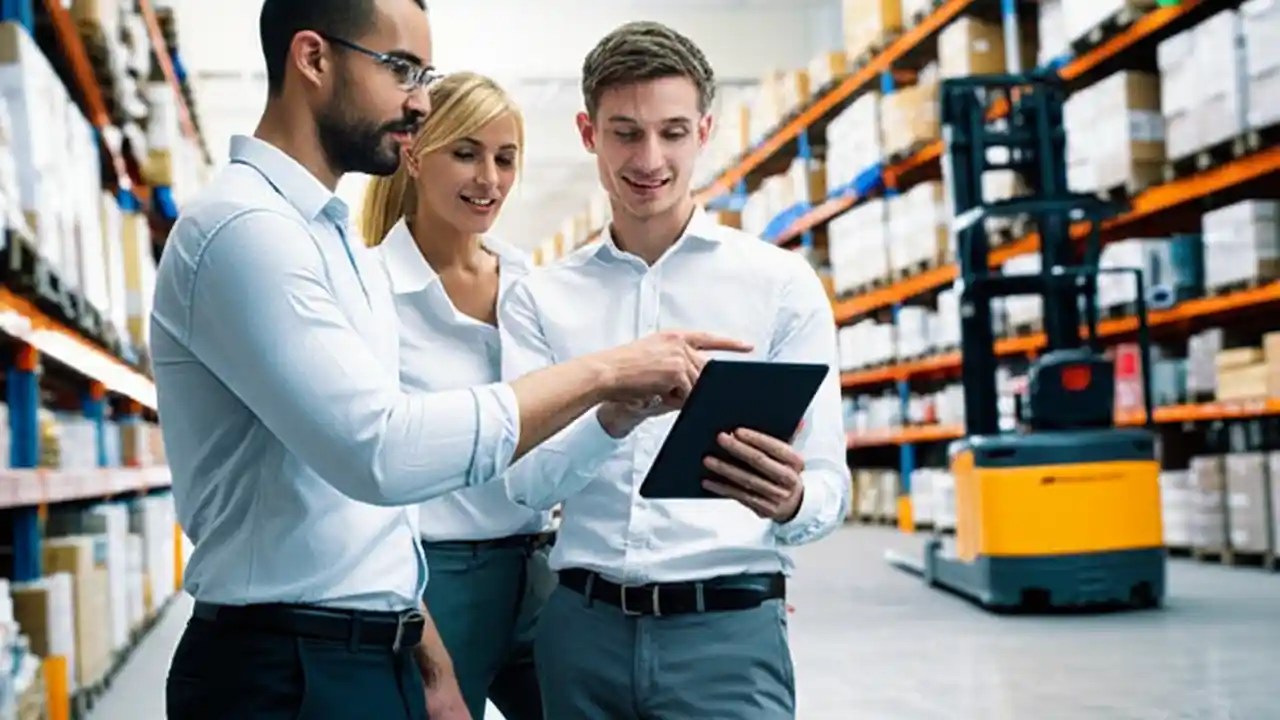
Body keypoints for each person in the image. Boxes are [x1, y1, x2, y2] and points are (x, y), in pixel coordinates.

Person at [149, 2, 750, 717]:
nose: (419, 101)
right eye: (402, 69)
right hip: (288, 661)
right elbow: (382, 451)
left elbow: (376, 503)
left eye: (424, 76)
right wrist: (603, 373)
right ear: (313, 59)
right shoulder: (248, 233)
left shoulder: (329, 242)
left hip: (366, 634)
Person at [498, 20, 853, 720]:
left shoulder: (780, 287)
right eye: (626, 132)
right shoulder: (541, 299)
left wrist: (790, 501)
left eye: (673, 131)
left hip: (728, 638)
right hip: (583, 635)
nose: (649, 158)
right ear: (588, 133)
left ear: (704, 131)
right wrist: (610, 412)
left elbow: (829, 487)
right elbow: (525, 485)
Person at [356, 71, 551, 720]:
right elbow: (361, 476)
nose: (489, 179)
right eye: (466, 153)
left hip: (542, 571)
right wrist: (421, 636)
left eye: (505, 158)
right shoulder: (371, 289)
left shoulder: (530, 284)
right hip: (435, 584)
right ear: (413, 155)